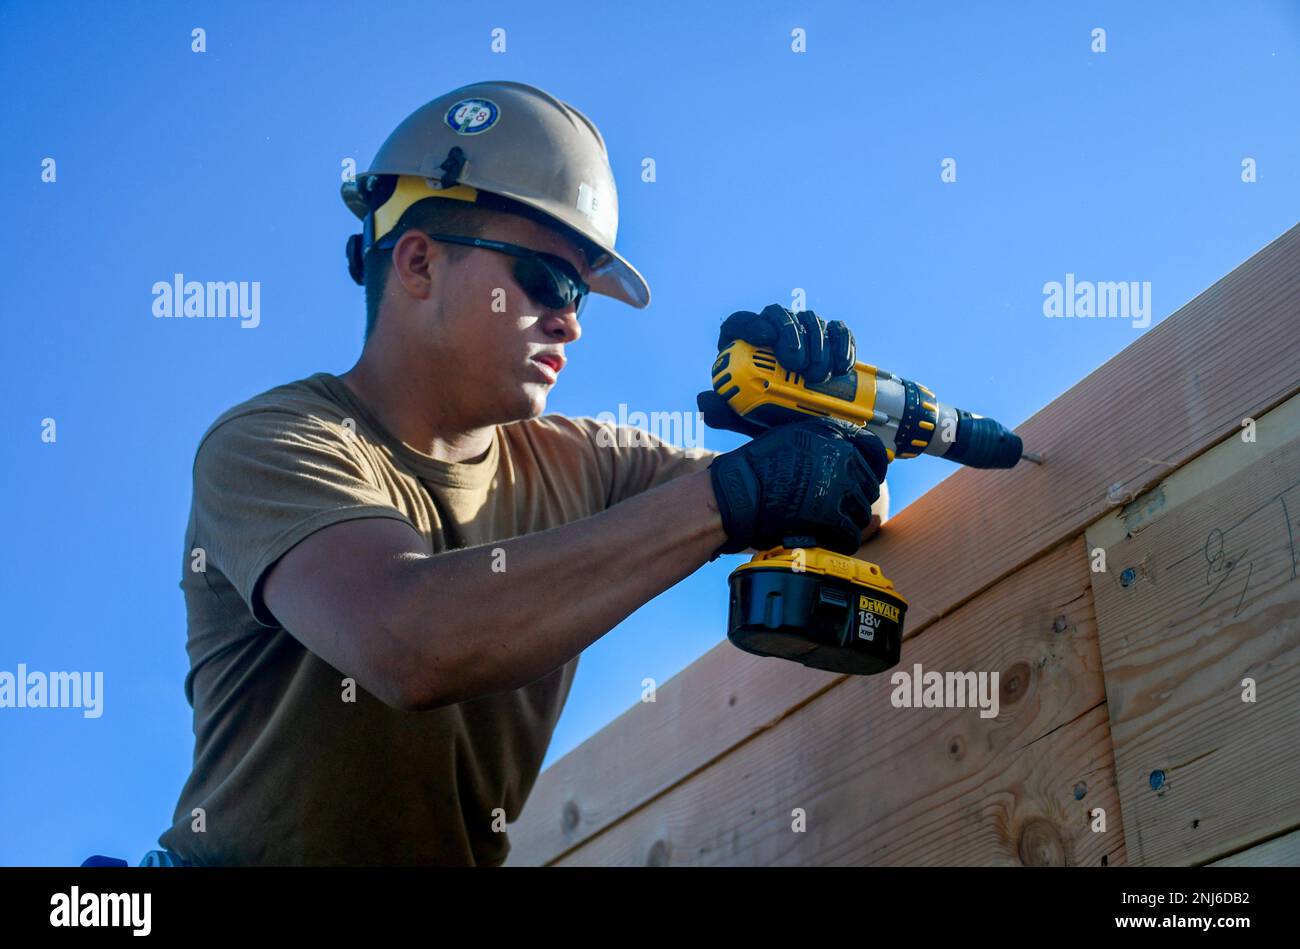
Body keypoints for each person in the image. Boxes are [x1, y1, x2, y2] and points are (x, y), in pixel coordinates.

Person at [157, 80, 889, 865]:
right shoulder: (276, 443)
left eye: (581, 293)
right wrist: (734, 494)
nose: (571, 318)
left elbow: (853, 500)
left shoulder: (586, 464)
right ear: (417, 263)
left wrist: (818, 428)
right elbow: (409, 641)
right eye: (548, 279)